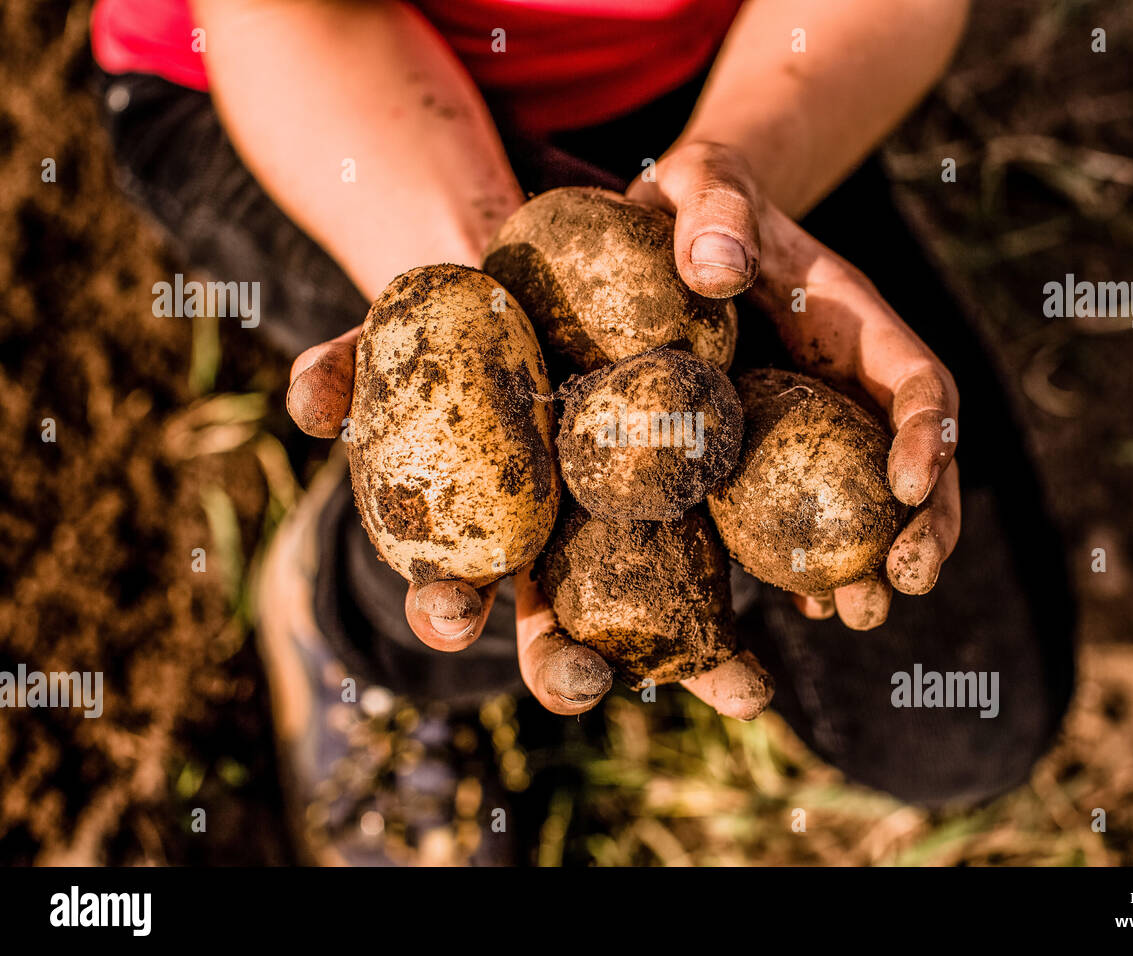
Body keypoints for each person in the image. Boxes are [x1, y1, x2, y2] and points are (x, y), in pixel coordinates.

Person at [92, 0, 1075, 865]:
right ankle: (349, 623)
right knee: (469, 529)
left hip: (715, 82)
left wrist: (738, 186)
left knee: (964, 717)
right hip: (307, 85)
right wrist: (485, 297)